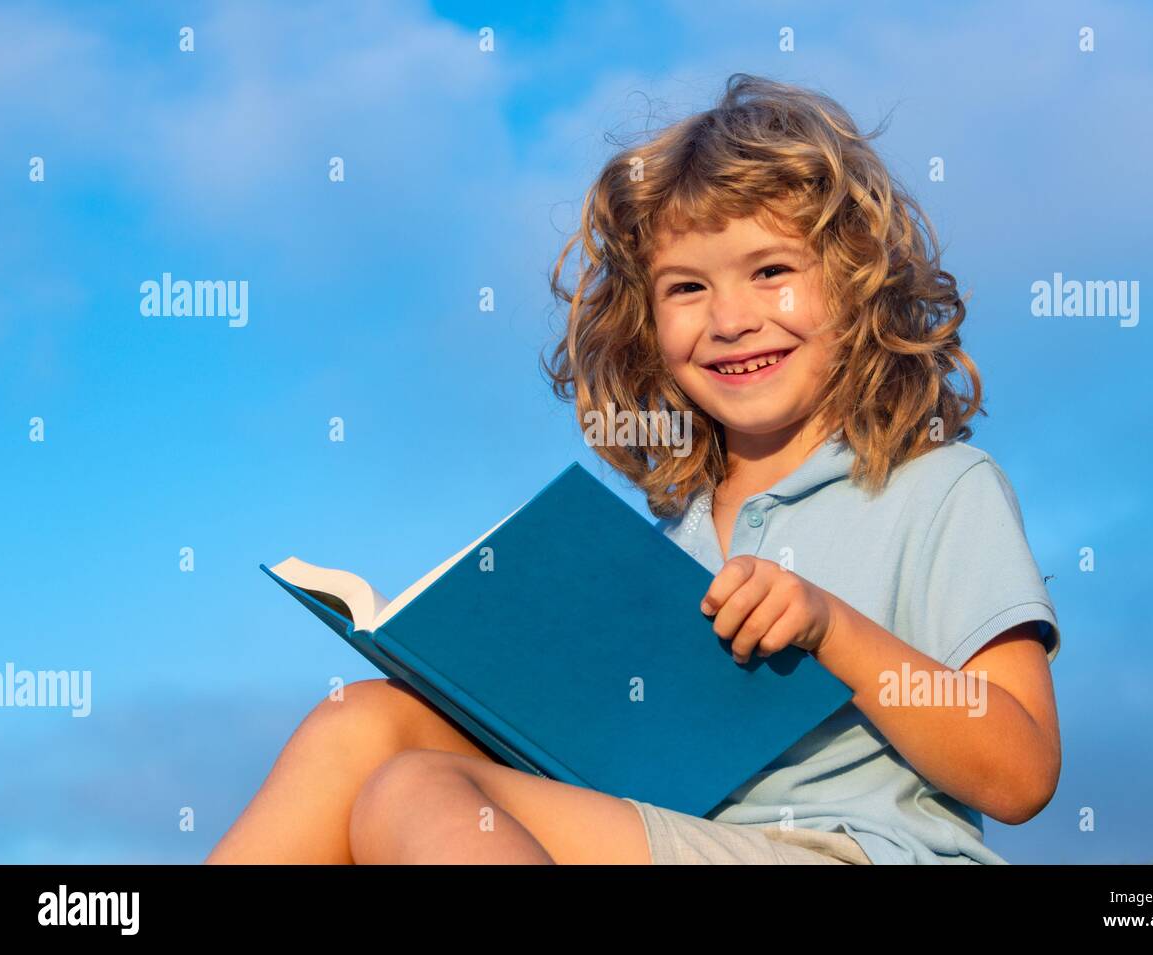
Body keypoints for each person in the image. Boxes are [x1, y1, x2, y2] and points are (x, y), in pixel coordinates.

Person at [206, 73, 1061, 865]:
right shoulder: (667, 541)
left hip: (857, 852)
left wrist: (829, 628)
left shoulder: (937, 486)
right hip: (683, 839)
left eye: (771, 273)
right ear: (644, 323)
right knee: (364, 723)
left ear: (854, 284)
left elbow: (1020, 775)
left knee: (420, 789)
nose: (730, 319)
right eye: (687, 289)